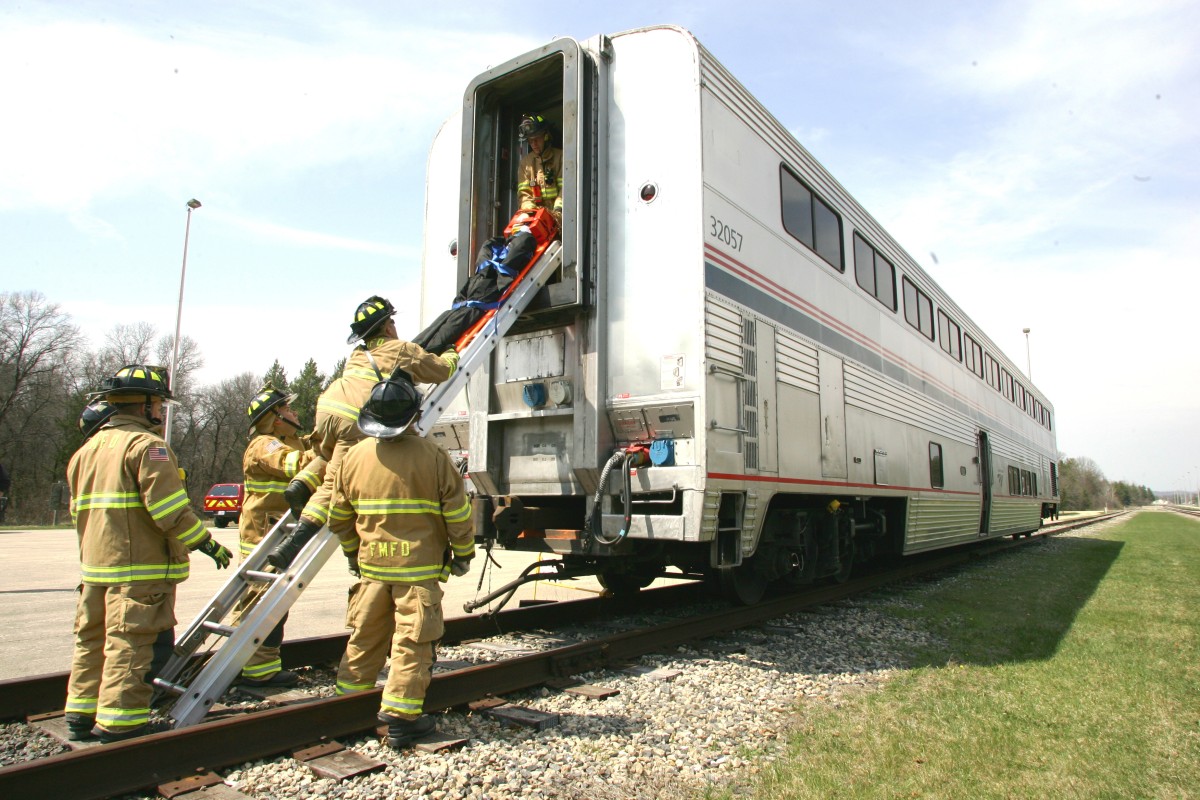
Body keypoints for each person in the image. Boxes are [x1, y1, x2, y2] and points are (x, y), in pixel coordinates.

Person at [64, 365, 233, 743]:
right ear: (143, 406)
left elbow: (79, 512)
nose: (161, 412)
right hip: (137, 571)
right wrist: (205, 542)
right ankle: (121, 724)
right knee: (130, 642)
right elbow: (169, 510)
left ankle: (79, 712)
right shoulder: (150, 448)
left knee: (92, 640)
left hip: (95, 569)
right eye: (159, 404)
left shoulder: (85, 451)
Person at [327, 373, 475, 748]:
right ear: (414, 414)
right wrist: (463, 554)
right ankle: (402, 720)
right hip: (418, 573)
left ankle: (349, 706)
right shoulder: (433, 456)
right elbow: (458, 515)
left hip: (371, 571)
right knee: (412, 642)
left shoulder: (353, 457)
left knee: (365, 638)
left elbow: (338, 518)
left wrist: (351, 553)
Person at [267, 296, 459, 569]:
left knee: (331, 460)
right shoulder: (402, 349)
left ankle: (302, 483)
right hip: (355, 416)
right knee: (336, 483)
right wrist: (450, 351)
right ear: (387, 327)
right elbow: (442, 371)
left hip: (329, 407)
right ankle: (294, 543)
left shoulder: (357, 354)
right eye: (392, 321)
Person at [411, 113, 562, 356]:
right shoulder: (526, 164)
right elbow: (525, 196)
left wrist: (554, 216)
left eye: (536, 138)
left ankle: (496, 285)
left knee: (524, 244)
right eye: (530, 140)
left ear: (545, 136)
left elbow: (563, 193)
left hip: (553, 226)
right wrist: (528, 219)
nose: (533, 144)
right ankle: (488, 281)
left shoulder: (559, 157)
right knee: (494, 245)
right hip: (531, 225)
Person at [232, 384, 325, 686]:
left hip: (275, 533)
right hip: (262, 537)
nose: (293, 412)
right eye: (286, 409)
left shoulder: (290, 440)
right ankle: (258, 670)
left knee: (274, 603)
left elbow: (312, 445)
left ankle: (255, 664)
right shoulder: (265, 445)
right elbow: (296, 465)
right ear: (274, 419)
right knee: (264, 602)